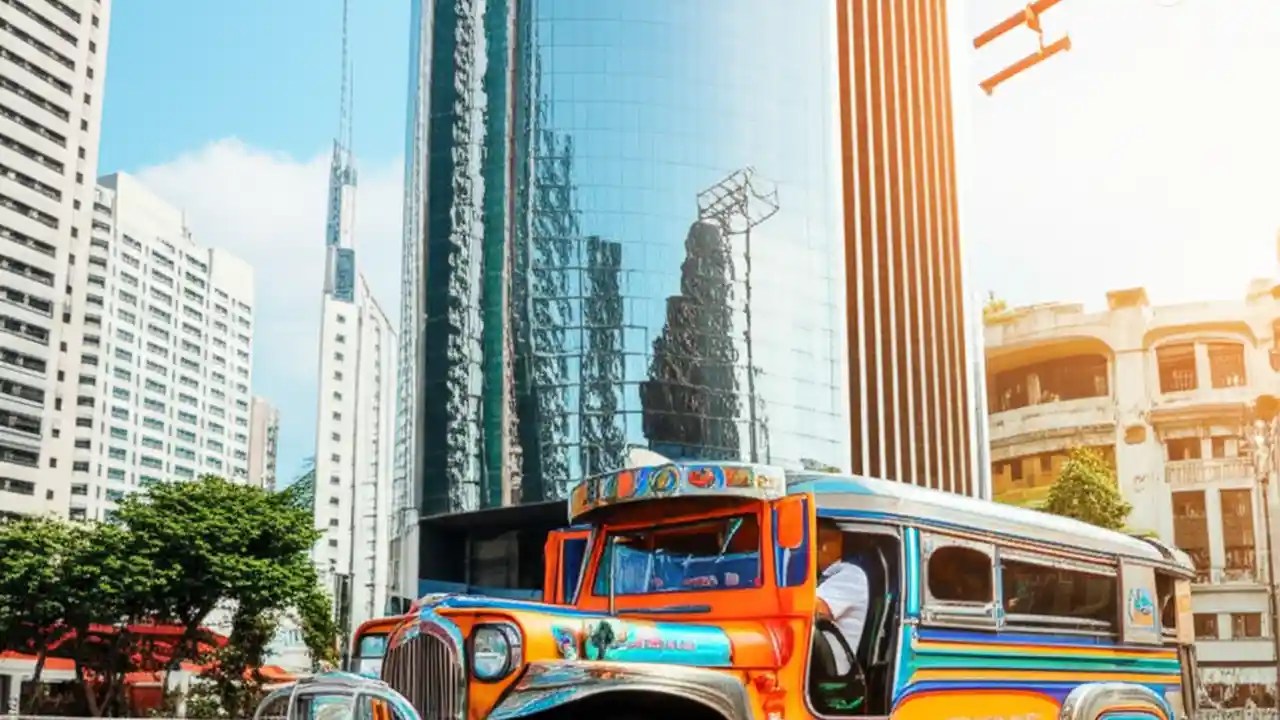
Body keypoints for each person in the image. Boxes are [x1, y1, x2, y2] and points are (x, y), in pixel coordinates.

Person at [815, 520, 869, 672]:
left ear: (823, 547)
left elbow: (816, 609)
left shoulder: (851, 574)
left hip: (834, 665)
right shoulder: (825, 577)